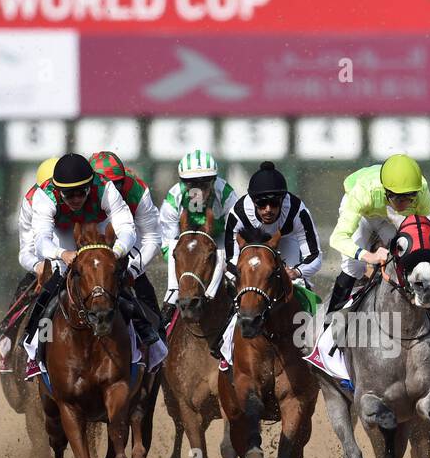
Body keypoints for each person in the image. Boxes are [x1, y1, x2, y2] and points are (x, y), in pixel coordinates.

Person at [20, 153, 139, 378]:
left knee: (119, 284)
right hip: (61, 231)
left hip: (97, 223)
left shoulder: (106, 189)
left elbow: (127, 229)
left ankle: (142, 339)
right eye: (69, 194)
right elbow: (41, 240)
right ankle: (35, 348)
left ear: (90, 185)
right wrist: (61, 253)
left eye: (81, 192)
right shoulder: (44, 197)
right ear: (58, 191)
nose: (75, 199)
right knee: (51, 290)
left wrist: (114, 253)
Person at [209, 161, 323, 363]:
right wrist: (249, 278)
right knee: (239, 295)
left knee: (301, 285)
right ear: (253, 202)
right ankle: (225, 343)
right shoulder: (239, 213)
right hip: (251, 251)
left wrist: (295, 272)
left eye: (274, 203)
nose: (268, 210)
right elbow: (230, 260)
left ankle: (317, 347)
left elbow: (315, 256)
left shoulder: (297, 210)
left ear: (283, 200)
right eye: (261, 204)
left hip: (285, 241)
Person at [325, 154, 430, 314]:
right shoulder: (364, 191)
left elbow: (428, 235)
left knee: (409, 254)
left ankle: (424, 313)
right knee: (354, 266)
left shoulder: (421, 191)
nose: (403, 204)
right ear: (385, 191)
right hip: (364, 214)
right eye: (398, 198)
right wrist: (369, 256)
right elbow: (337, 238)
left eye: (409, 197)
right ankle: (329, 325)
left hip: (391, 218)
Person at [90, 150, 165, 339]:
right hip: (90, 254)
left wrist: (133, 270)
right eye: (107, 185)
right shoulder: (80, 193)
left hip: (127, 250)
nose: (113, 191)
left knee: (153, 314)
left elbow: (152, 238)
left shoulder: (137, 191)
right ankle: (33, 346)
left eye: (118, 184)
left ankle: (158, 343)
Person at [159, 150, 239, 313]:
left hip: (219, 238)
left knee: (227, 264)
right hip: (184, 243)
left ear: (214, 180)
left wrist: (228, 265)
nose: (198, 190)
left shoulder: (226, 195)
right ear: (182, 182)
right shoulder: (173, 199)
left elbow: (236, 237)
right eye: (192, 183)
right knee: (178, 253)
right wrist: (189, 260)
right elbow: (168, 244)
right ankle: (170, 303)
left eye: (204, 183)